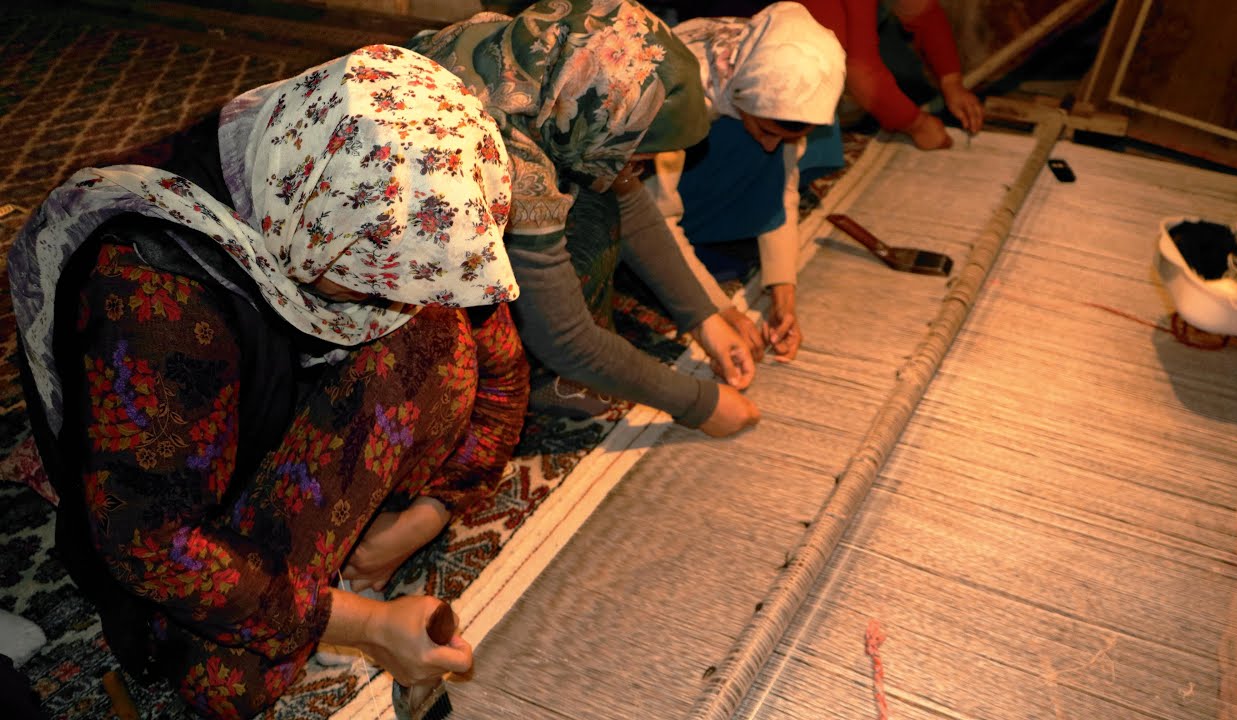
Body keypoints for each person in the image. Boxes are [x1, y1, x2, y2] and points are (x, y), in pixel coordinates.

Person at [9, 46, 527, 719]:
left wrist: (423, 519)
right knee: (226, 687)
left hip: (269, 403)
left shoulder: (358, 182)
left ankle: (337, 558)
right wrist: (365, 625)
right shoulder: (152, 291)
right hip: (179, 494)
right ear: (313, 229)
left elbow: (503, 375)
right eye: (374, 282)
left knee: (434, 337)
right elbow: (152, 540)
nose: (392, 302)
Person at [407, 0, 761, 437]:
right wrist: (698, 404)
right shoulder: (512, 162)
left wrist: (703, 318)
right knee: (587, 221)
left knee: (599, 193)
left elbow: (629, 202)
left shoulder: (535, 59)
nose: (643, 167)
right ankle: (522, 382)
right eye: (639, 151)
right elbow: (567, 339)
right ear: (611, 119)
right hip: (398, 285)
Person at [641, 2, 847, 363]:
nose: (771, 143)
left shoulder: (772, 71)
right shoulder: (679, 97)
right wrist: (718, 310)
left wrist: (783, 294)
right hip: (647, 156)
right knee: (747, 147)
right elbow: (654, 219)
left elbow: (781, 189)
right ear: (741, 95)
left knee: (787, 149)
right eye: (767, 129)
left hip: (725, 119)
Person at [803, 0, 984, 150]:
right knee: (809, 141)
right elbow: (860, 72)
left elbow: (923, 12)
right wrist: (916, 125)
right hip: (799, 58)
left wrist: (951, 82)